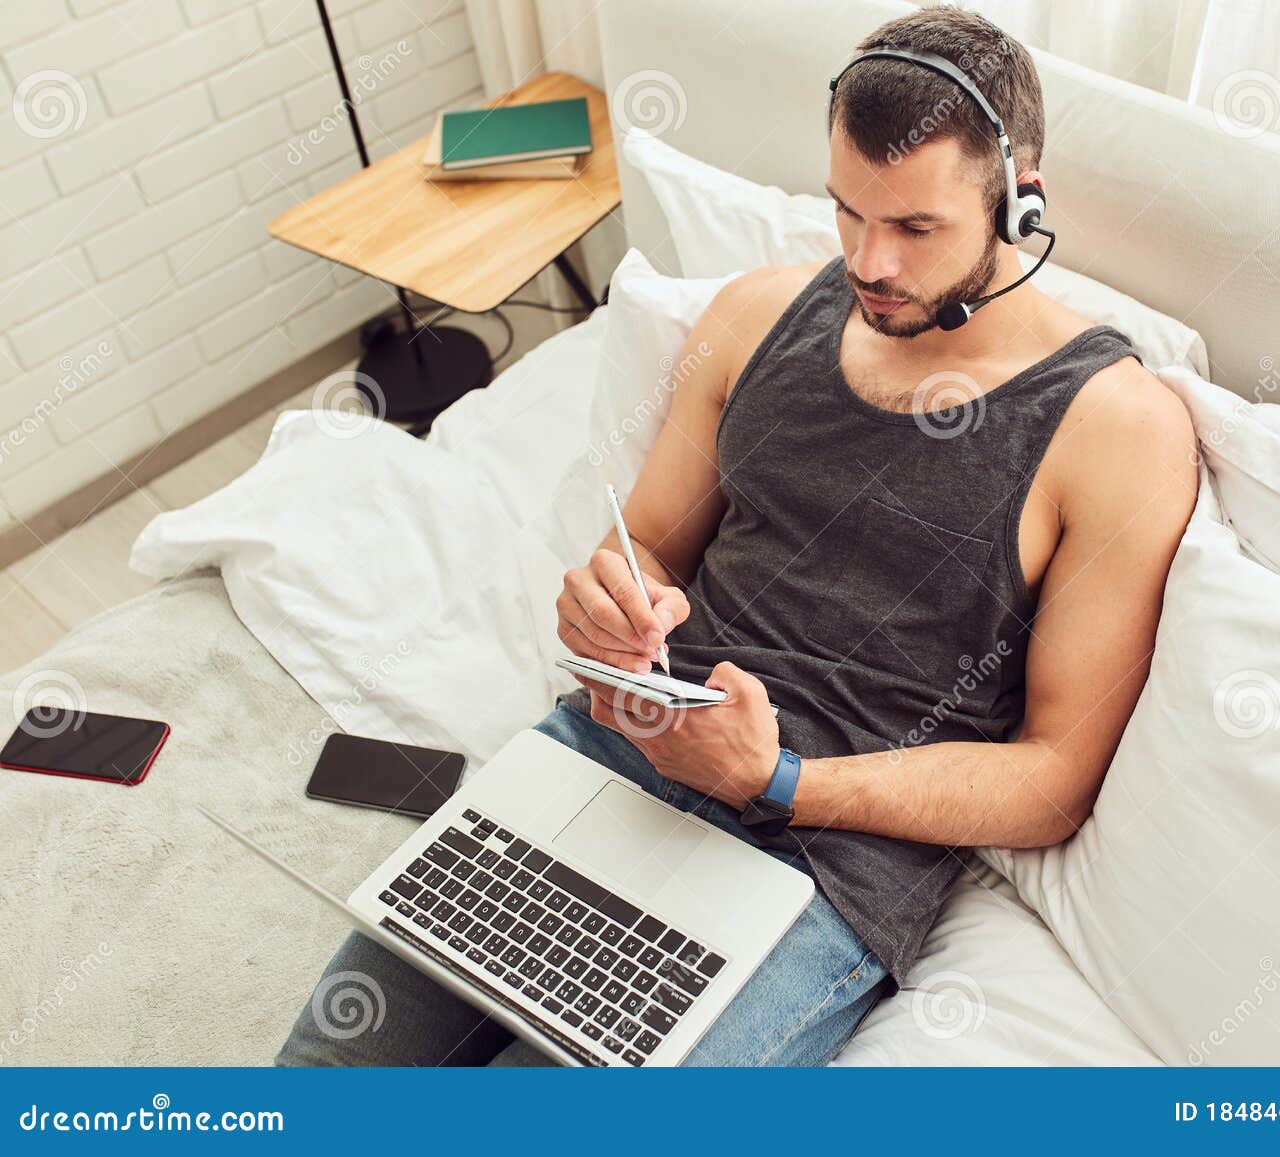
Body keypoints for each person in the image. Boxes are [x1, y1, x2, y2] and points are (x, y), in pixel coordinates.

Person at [278, 4, 1196, 1068]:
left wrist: (779, 777)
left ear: (1020, 203)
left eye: (915, 227)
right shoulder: (754, 315)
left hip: (823, 865)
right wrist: (612, 598)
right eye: (847, 210)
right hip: (610, 755)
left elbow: (1053, 777)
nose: (868, 260)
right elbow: (648, 542)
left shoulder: (1114, 429)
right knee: (327, 1073)